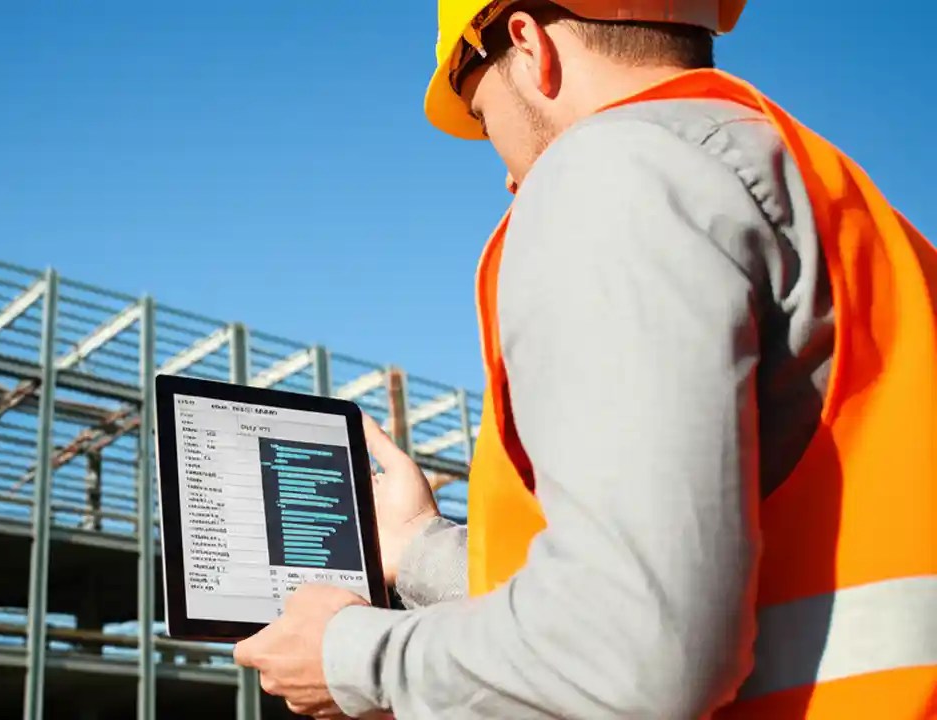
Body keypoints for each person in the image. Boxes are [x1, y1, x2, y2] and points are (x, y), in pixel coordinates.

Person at [234, 0, 937, 717]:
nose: (508, 178)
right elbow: (675, 587)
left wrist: (352, 659)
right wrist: (417, 547)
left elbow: (632, 650)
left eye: (484, 119)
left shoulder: (615, 171)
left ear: (528, 45)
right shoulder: (836, 206)